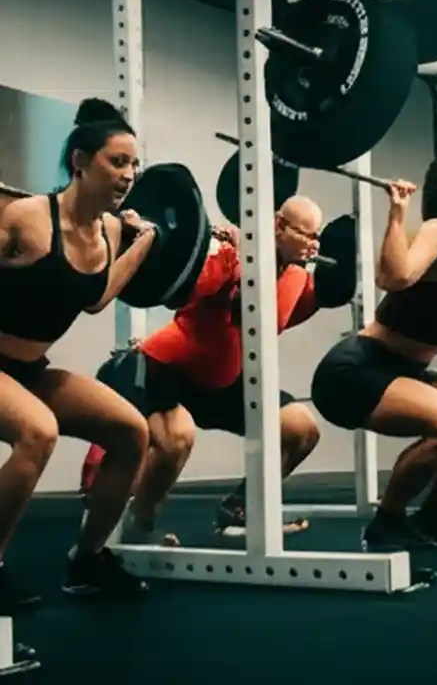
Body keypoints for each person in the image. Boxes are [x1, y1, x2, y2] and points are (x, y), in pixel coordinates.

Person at [77, 196, 330, 544]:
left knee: (301, 428)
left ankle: (241, 507)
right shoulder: (231, 253)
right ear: (277, 225)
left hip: (219, 383)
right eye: (307, 235)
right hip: (166, 369)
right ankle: (130, 526)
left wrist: (306, 271)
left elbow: (279, 318)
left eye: (318, 237)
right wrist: (204, 251)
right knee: (174, 441)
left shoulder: (293, 273)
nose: (315, 245)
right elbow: (182, 291)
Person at [310, 147, 437, 552]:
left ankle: (436, 511)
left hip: (407, 369)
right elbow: (394, 276)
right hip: (356, 369)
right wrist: (398, 213)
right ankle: (387, 522)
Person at [0, 99, 158, 609]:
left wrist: (144, 243)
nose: (129, 174)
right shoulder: (26, 218)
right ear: (80, 162)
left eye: (134, 164)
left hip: (31, 370)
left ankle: (87, 560)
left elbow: (93, 299)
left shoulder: (111, 230)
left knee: (132, 433)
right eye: (117, 162)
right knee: (37, 431)